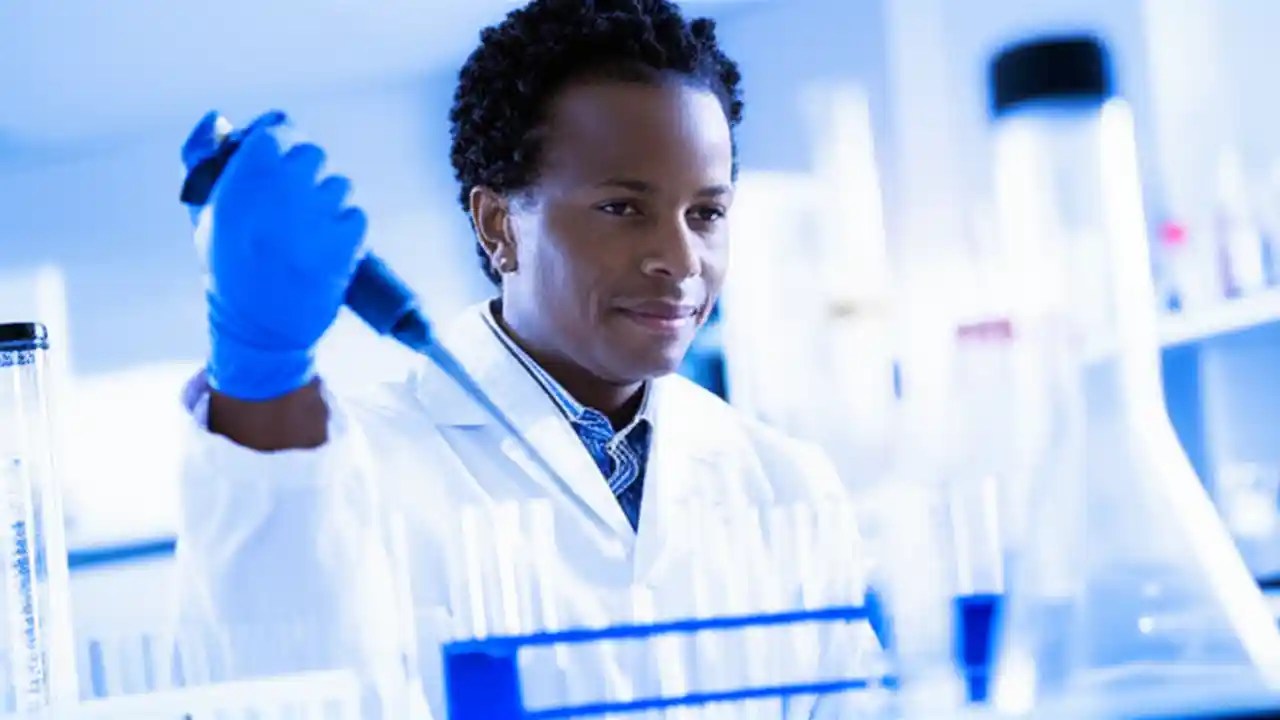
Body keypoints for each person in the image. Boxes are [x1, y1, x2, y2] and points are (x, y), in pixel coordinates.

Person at [175, 0, 882, 717]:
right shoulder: (361, 470)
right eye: (622, 208)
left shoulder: (785, 483)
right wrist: (258, 377)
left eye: (706, 213)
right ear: (498, 225)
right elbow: (263, 690)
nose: (679, 259)